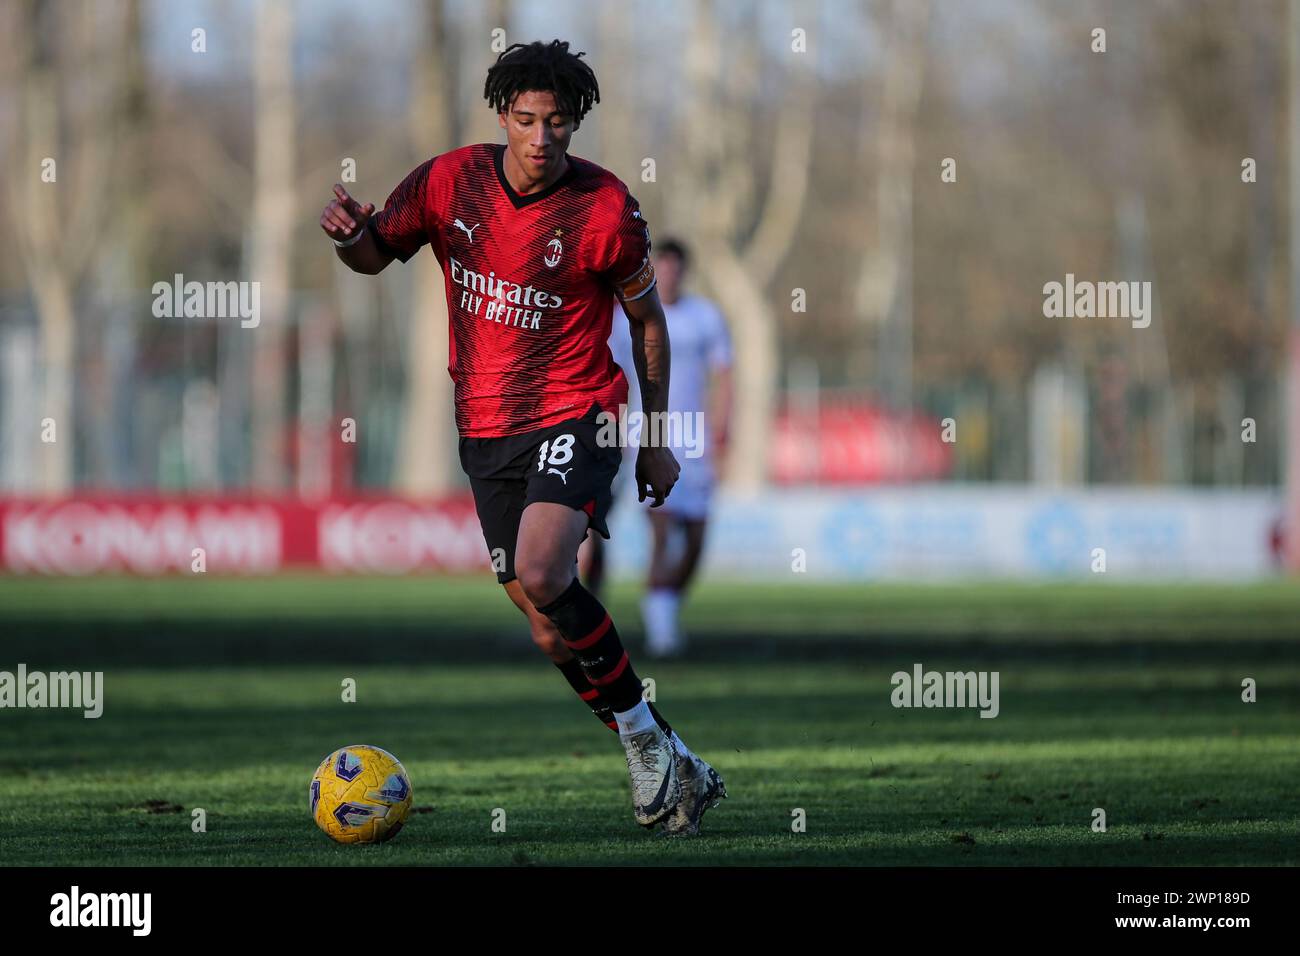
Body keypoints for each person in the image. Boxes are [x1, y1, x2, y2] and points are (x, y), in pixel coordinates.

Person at [319, 39, 724, 835]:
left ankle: (644, 747)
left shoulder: (606, 211)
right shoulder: (447, 182)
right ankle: (676, 760)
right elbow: (375, 257)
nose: (542, 138)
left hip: (581, 408)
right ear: (504, 115)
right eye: (528, 119)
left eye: (560, 123)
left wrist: (656, 434)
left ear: (576, 125)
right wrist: (346, 235)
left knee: (545, 569)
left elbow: (649, 323)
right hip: (484, 426)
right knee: (546, 625)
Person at [603, 240, 732, 657]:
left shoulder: (705, 317)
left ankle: (662, 605)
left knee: (695, 539)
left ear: (685, 272)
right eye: (663, 268)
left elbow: (724, 376)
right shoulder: (627, 319)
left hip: (694, 440)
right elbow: (613, 372)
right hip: (649, 431)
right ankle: (660, 630)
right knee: (662, 527)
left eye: (676, 269)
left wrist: (723, 427)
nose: (669, 276)